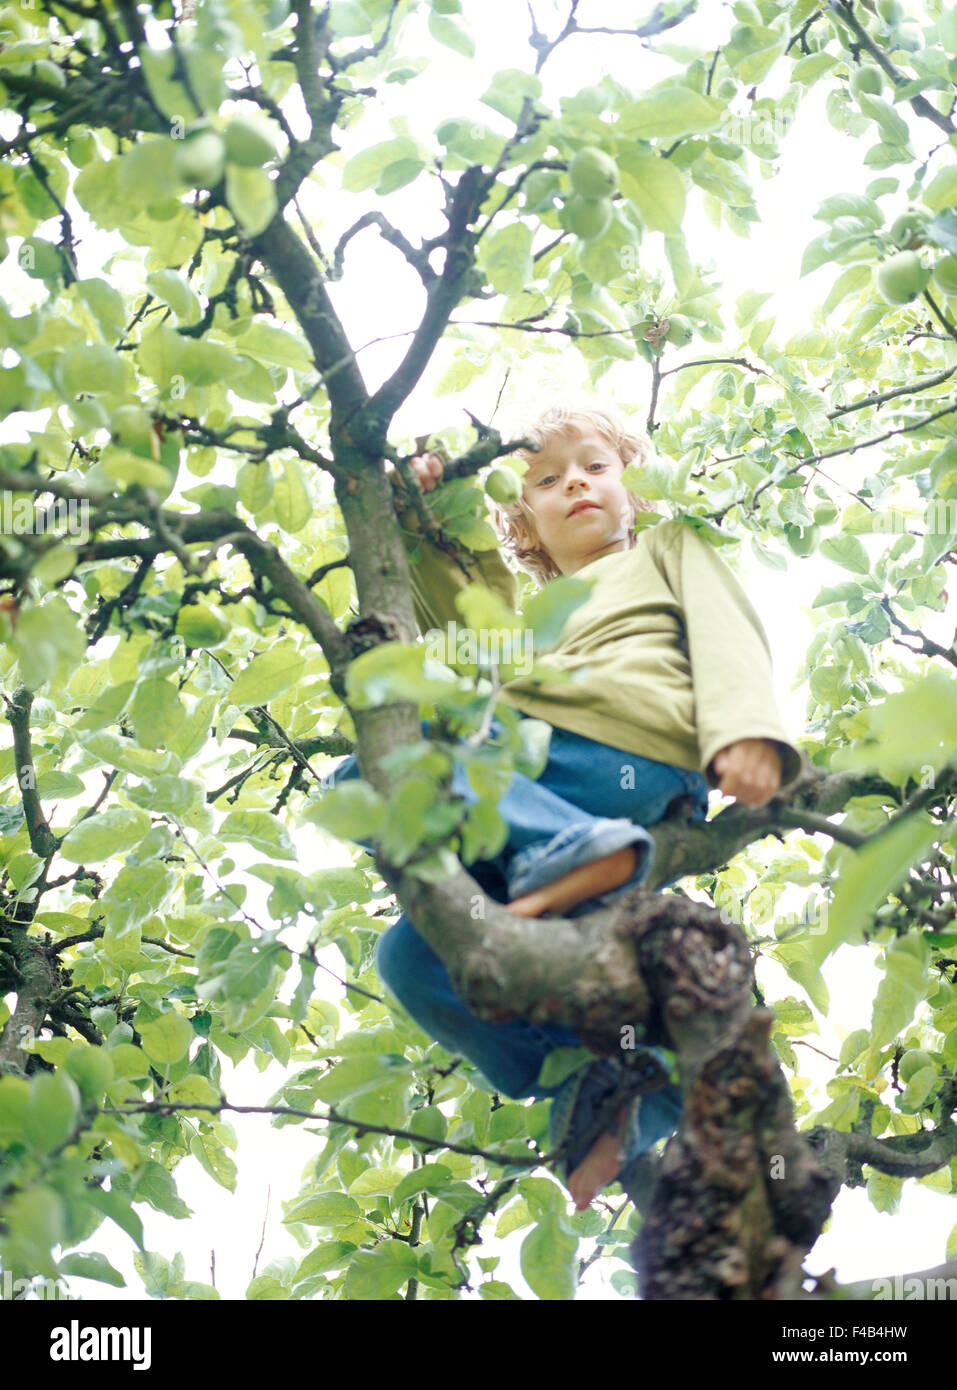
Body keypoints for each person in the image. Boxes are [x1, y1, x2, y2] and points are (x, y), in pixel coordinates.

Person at [331, 401, 803, 1211]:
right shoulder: (530, 626)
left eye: (595, 467)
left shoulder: (663, 547)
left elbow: (728, 631)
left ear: (633, 489)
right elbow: (459, 618)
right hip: (532, 778)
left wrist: (748, 733)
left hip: (625, 740)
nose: (574, 483)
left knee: (374, 772)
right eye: (547, 480)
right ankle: (609, 1077)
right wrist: (420, 512)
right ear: (525, 526)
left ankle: (581, 849)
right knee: (409, 958)